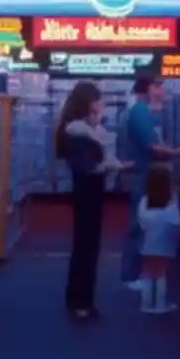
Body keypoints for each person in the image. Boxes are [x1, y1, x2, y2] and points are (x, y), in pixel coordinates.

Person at [55, 81, 129, 319]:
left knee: (86, 247)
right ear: (88, 102)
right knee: (87, 247)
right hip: (88, 193)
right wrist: (111, 165)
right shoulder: (78, 133)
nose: (102, 103)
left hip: (88, 193)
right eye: (99, 99)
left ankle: (80, 299)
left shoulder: (80, 130)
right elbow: (88, 167)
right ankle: (81, 302)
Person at [118, 73, 180, 291]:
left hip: (146, 174)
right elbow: (153, 146)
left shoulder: (142, 111)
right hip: (143, 175)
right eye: (159, 87)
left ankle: (137, 274)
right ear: (148, 89)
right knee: (138, 225)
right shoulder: (139, 112)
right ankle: (131, 276)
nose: (163, 92)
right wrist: (178, 152)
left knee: (143, 224)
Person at [137, 164, 180, 314]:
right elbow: (176, 221)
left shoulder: (145, 201)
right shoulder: (171, 202)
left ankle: (146, 303)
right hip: (165, 243)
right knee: (161, 272)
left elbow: (141, 222)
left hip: (148, 241)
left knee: (148, 272)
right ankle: (160, 304)